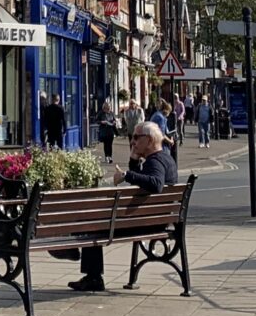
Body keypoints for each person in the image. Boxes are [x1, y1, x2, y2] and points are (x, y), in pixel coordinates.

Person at [69, 121, 177, 293]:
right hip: (155, 219)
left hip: (143, 224)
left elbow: (156, 184)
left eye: (136, 138)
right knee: (92, 222)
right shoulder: (165, 158)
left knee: (91, 224)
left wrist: (127, 175)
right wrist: (134, 161)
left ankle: (88, 271)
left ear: (149, 140)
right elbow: (147, 179)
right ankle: (75, 250)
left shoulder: (154, 162)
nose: (132, 142)